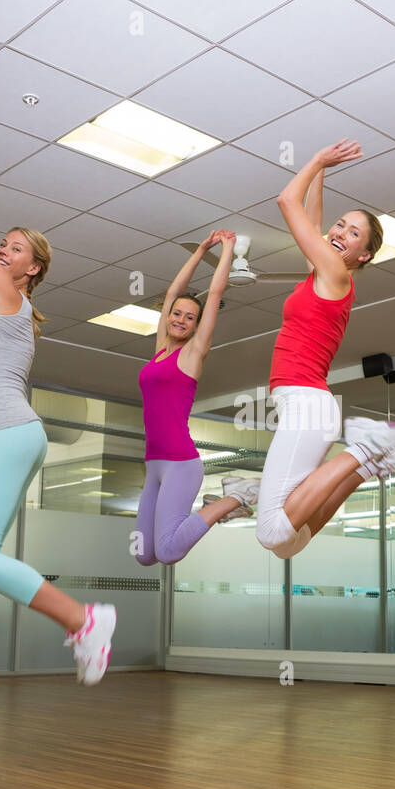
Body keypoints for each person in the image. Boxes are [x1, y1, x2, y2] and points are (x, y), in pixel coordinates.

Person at [0, 140, 114, 684]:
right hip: (14, 434)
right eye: (2, 244)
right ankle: (83, 622)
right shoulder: (1, 298)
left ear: (32, 268)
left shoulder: (8, 298)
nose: (3, 250)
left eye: (15, 248)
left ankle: (84, 621)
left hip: (13, 432)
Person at [255, 138, 395, 559]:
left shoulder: (334, 273)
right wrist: (322, 174)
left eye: (354, 233)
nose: (340, 232)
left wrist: (316, 159)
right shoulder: (325, 273)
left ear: (363, 254)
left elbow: (286, 201)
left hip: (306, 402)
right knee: (289, 544)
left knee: (272, 533)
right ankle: (369, 464)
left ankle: (367, 446)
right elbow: (312, 223)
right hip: (311, 406)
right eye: (340, 224)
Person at [135, 230, 260, 566]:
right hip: (154, 464)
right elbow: (174, 292)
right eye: (177, 314)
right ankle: (212, 508)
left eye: (190, 317)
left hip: (180, 463)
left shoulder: (192, 354)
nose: (181, 319)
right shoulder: (160, 350)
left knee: (168, 551)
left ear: (196, 326)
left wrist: (229, 250)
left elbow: (216, 290)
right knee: (143, 554)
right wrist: (200, 250)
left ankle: (239, 494)